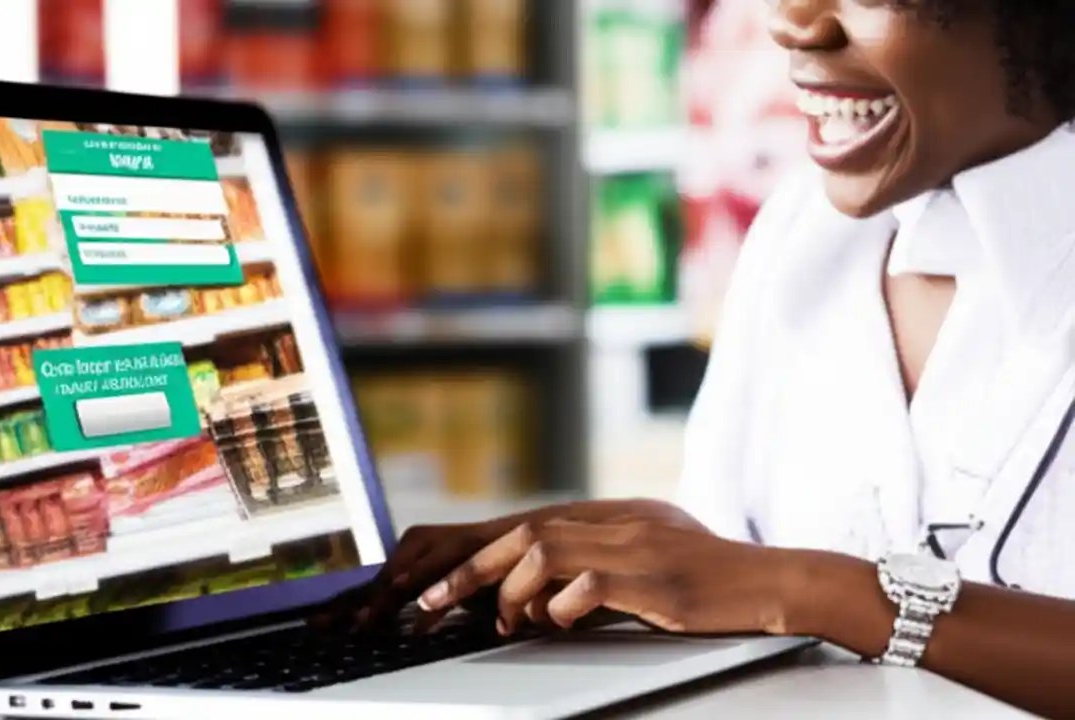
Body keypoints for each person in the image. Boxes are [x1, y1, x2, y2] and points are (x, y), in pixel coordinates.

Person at [321, 2, 1075, 717]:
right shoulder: (801, 236)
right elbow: (757, 571)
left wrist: (814, 588)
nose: (791, 22)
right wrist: (659, 556)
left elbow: (800, 587)